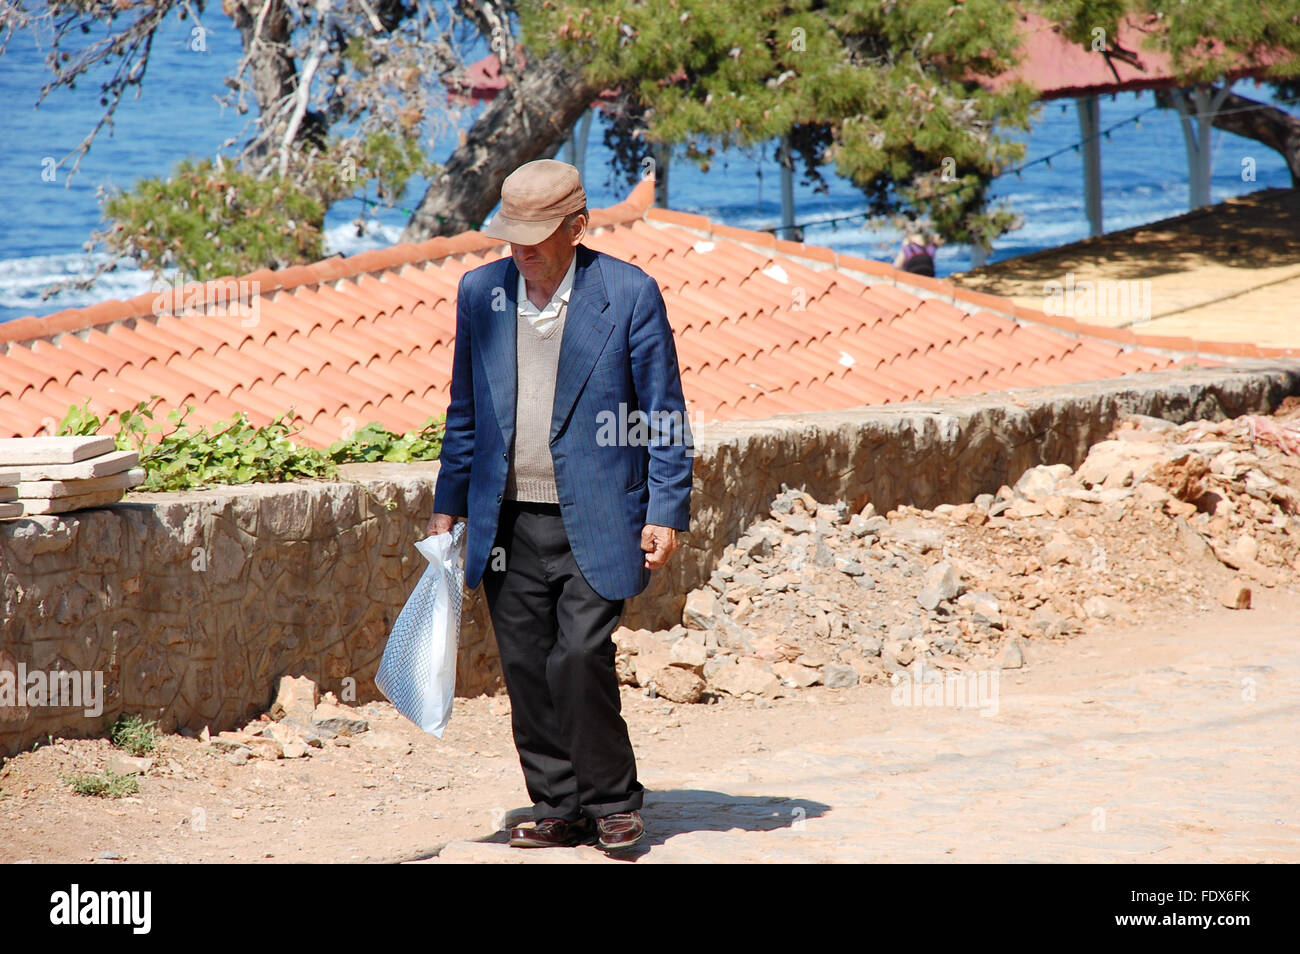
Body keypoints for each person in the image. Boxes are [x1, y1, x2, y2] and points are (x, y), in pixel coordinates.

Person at [424, 159, 693, 852]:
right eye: (514, 232)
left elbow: (661, 415)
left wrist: (666, 508)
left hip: (601, 517)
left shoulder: (629, 294)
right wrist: (447, 508)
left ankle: (611, 801)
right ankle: (557, 802)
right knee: (526, 662)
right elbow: (465, 411)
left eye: (539, 232)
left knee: (578, 656)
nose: (524, 247)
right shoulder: (480, 292)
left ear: (578, 226)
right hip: (505, 518)